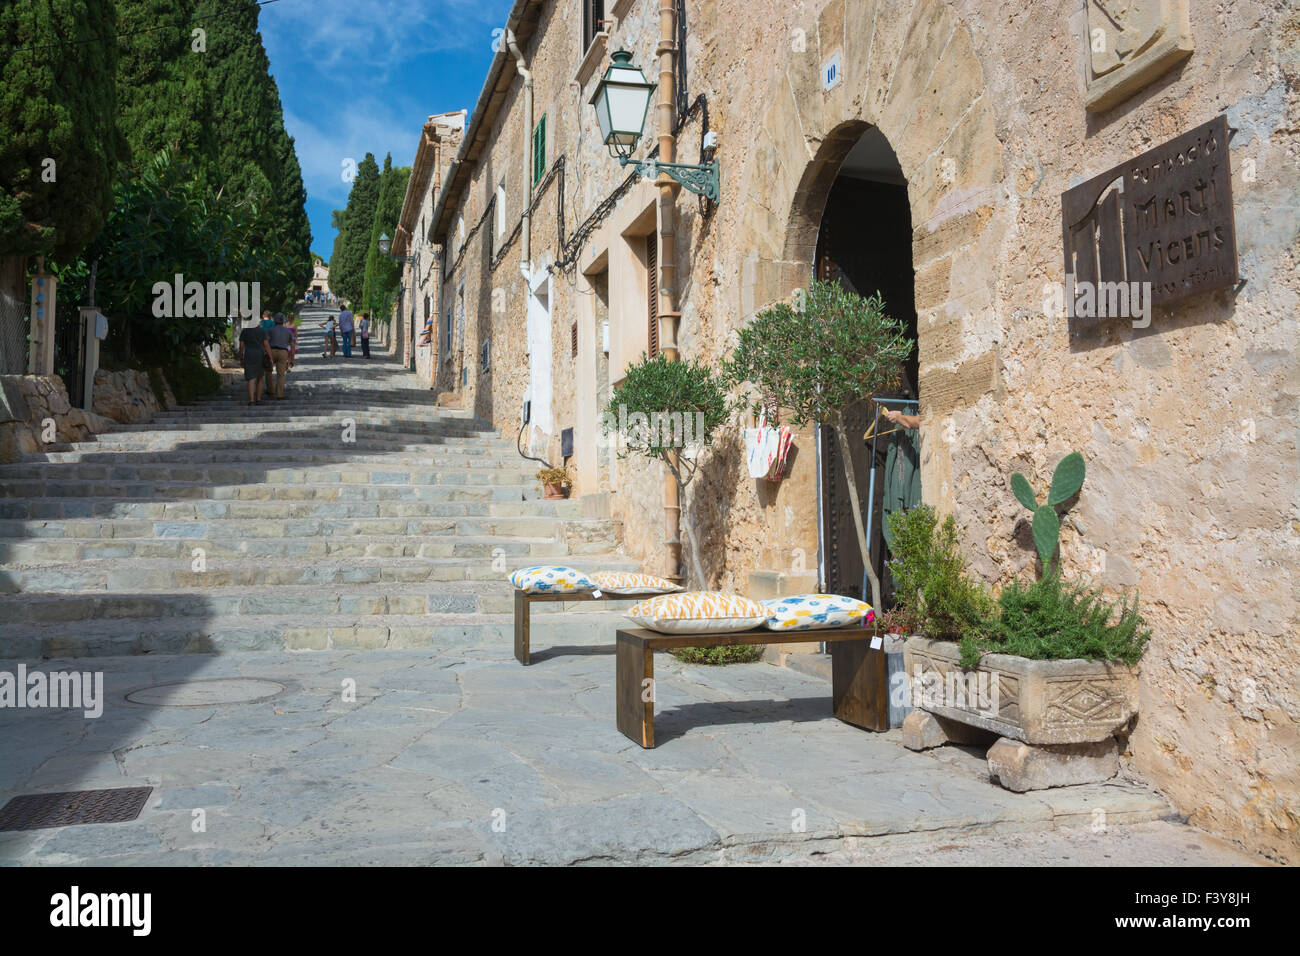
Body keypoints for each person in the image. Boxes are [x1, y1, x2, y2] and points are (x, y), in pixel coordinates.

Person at [238, 319, 273, 405]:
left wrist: (241, 356)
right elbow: (266, 345)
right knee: (260, 377)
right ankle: (259, 399)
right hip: (259, 355)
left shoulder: (245, 331)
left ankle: (251, 400)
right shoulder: (262, 331)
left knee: (251, 378)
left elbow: (241, 345)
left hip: (248, 355)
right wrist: (270, 357)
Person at [267, 312, 295, 399]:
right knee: (281, 375)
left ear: (274, 321)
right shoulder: (288, 331)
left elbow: (266, 343)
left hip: (271, 351)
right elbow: (292, 346)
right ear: (283, 321)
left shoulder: (270, 330)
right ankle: (279, 394)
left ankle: (270, 391)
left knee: (268, 372)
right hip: (283, 352)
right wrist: (291, 359)